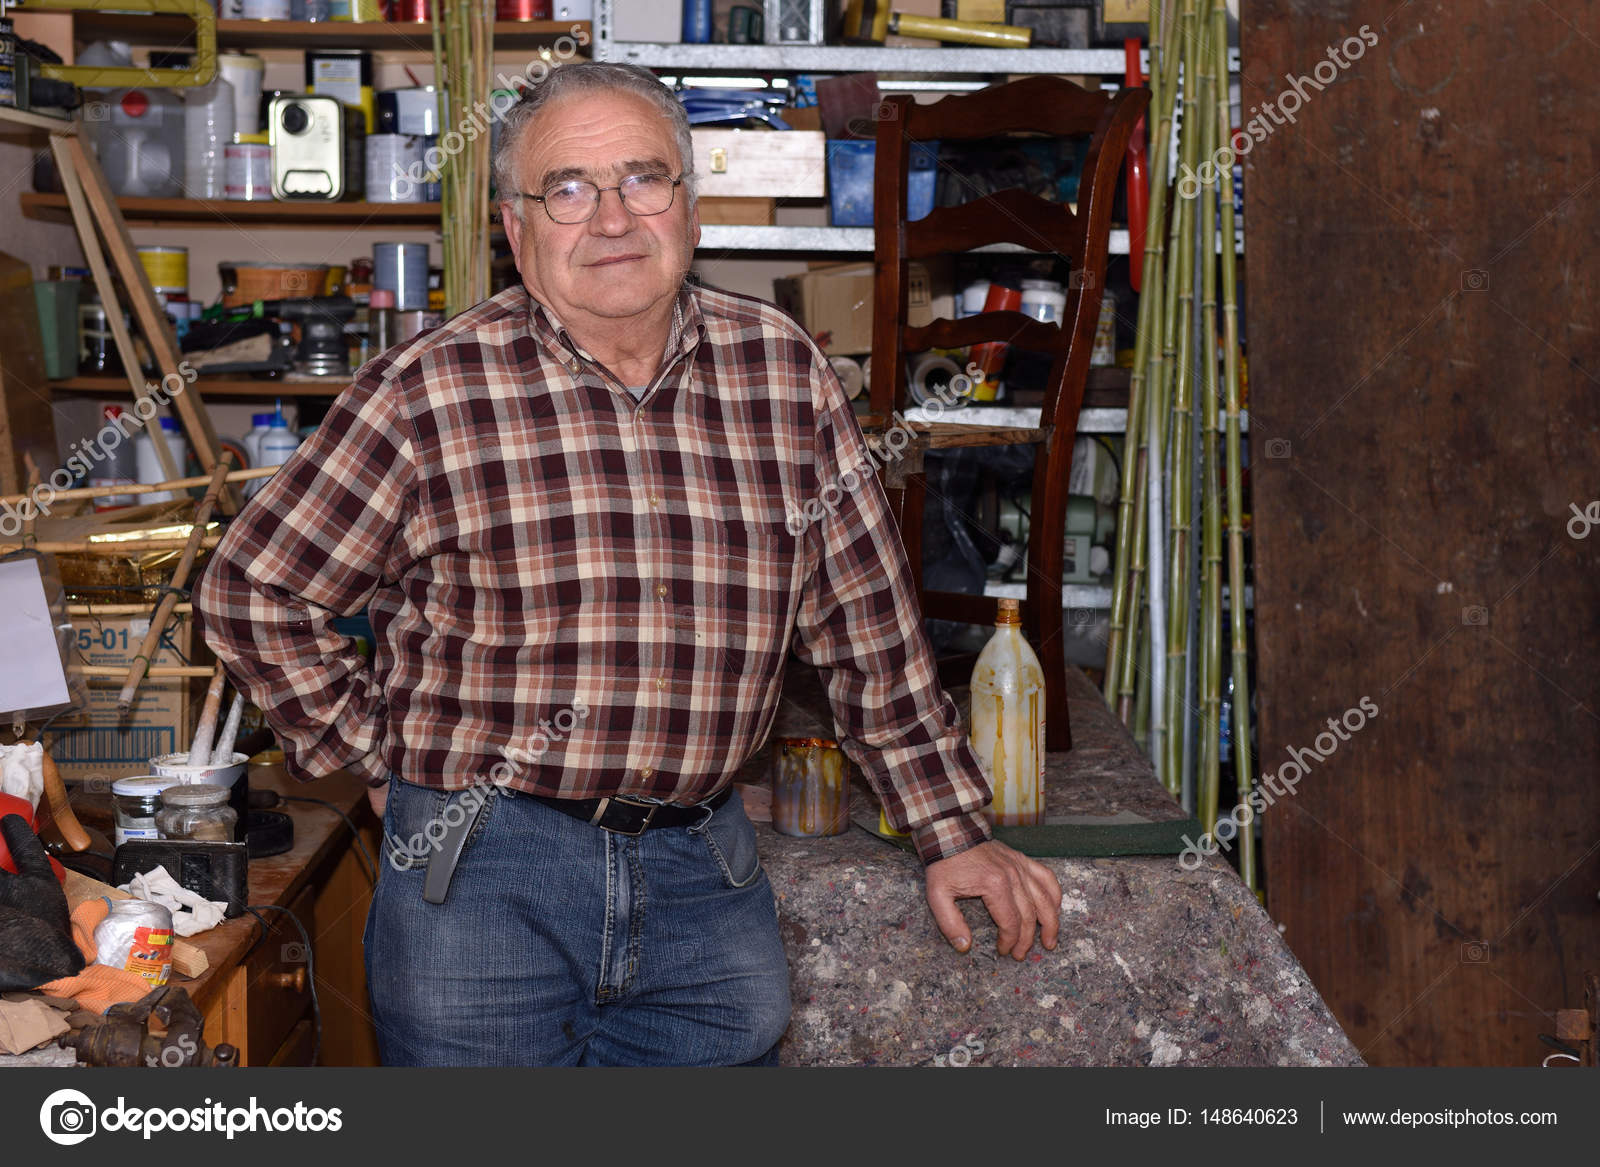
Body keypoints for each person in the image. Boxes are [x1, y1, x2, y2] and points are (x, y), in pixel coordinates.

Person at [193, 61, 1062, 1067]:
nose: (611, 218)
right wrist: (369, 757)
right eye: (568, 189)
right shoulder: (430, 389)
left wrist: (953, 830)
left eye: (642, 179)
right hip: (483, 876)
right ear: (517, 232)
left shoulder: (782, 373)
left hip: (704, 874)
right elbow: (255, 588)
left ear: (689, 209)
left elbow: (869, 635)